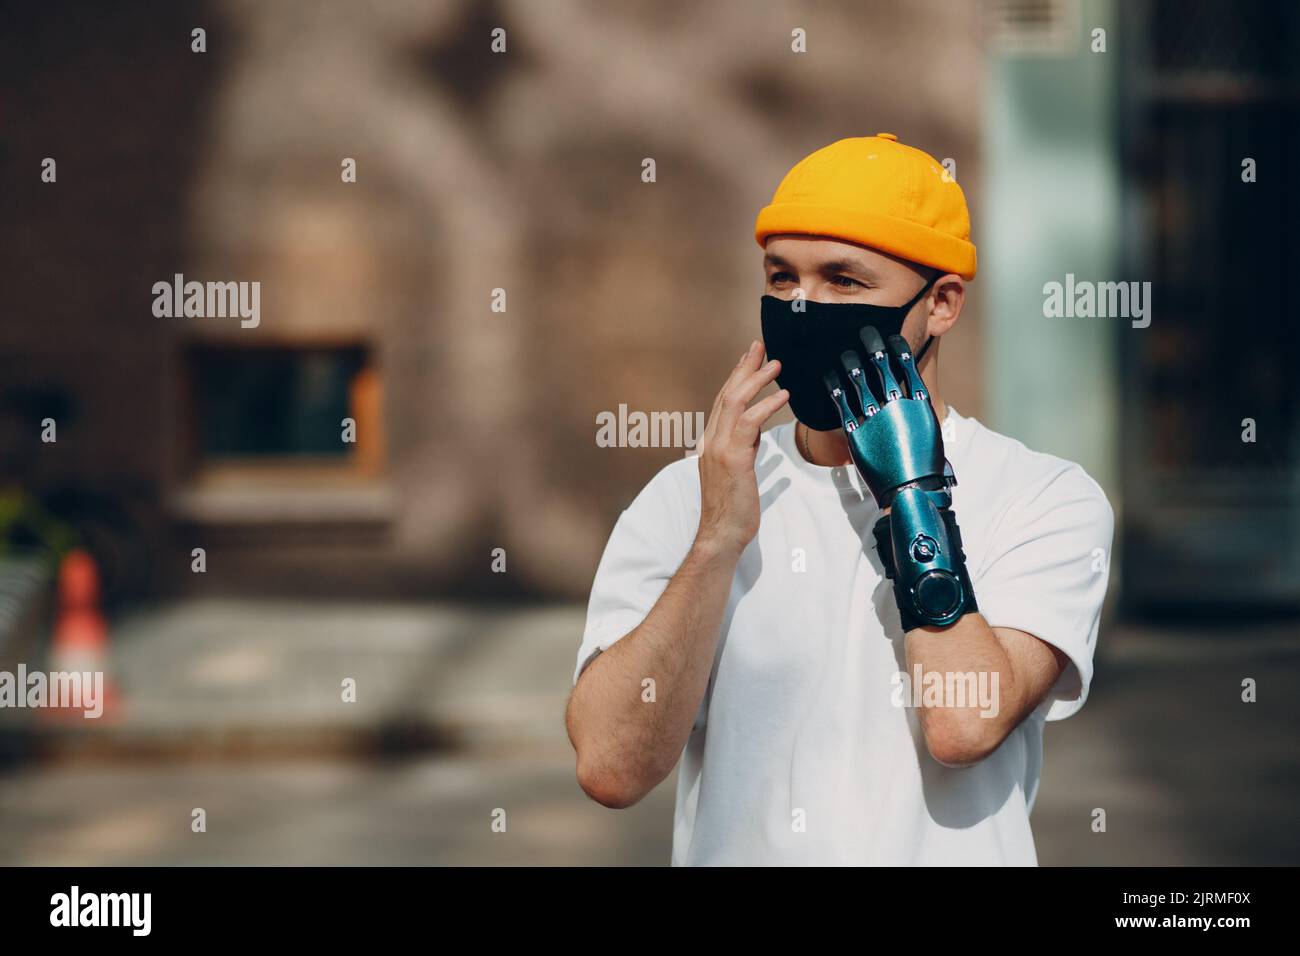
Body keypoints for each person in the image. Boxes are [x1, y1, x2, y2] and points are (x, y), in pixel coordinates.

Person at [565, 133, 1114, 865]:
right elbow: (609, 767)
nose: (802, 305)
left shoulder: (1045, 499)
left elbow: (963, 726)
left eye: (843, 281)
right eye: (782, 276)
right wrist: (715, 542)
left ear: (941, 303)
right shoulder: (691, 493)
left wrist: (913, 496)